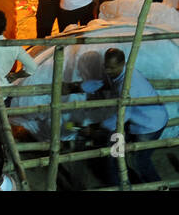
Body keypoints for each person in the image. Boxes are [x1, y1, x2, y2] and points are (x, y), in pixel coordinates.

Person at [66, 48, 169, 185]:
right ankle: (117, 183)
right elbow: (103, 82)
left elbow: (122, 116)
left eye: (112, 68)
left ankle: (158, 186)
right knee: (115, 150)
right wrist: (80, 87)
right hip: (136, 120)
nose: (108, 71)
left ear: (123, 64)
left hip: (150, 124)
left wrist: (97, 128)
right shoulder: (117, 73)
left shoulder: (129, 86)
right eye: (106, 67)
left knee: (139, 161)